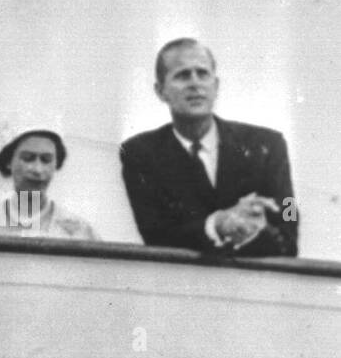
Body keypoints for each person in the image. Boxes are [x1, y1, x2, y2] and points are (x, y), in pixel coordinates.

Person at [120, 38, 297, 256]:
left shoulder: (268, 144)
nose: (195, 83)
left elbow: (289, 205)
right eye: (182, 75)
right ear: (160, 91)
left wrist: (278, 222)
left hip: (256, 279)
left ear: (216, 85)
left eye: (202, 73)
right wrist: (217, 224)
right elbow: (154, 234)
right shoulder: (141, 154)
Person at [0, 129, 96, 239]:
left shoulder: (79, 232)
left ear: (56, 163)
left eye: (46, 160)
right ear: (8, 161)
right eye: (27, 158)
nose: (37, 170)